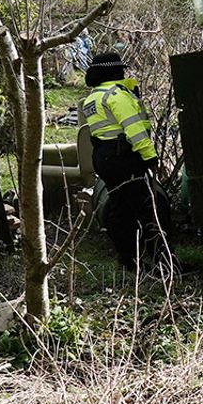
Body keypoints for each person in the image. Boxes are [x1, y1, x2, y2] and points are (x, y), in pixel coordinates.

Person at [82, 51, 170, 271]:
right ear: (114, 71)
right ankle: (163, 262)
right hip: (124, 158)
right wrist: (150, 158)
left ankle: (129, 260)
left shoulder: (93, 97)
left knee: (120, 208)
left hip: (104, 158)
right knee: (150, 206)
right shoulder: (117, 95)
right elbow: (135, 130)